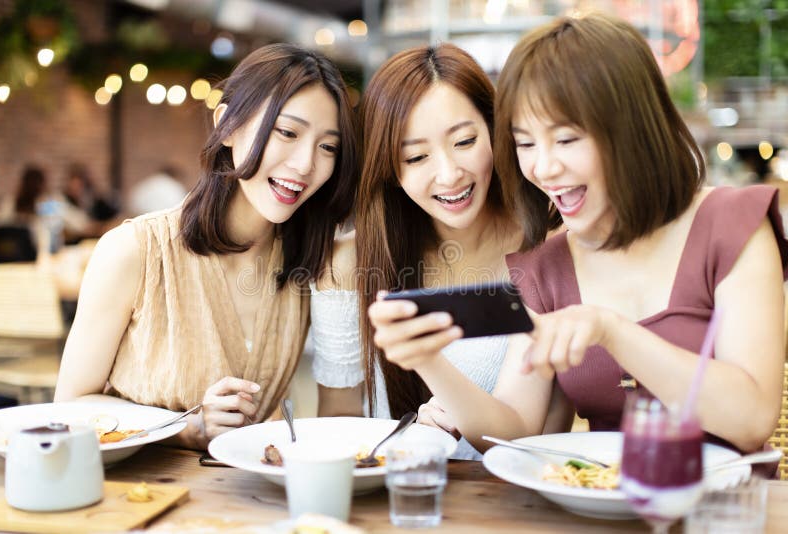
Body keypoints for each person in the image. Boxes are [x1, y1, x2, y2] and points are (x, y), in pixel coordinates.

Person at [369, 13, 788, 454]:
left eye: (566, 139)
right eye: (526, 143)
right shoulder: (545, 266)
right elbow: (515, 430)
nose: (543, 168)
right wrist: (428, 360)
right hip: (595, 510)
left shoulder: (732, 224)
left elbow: (752, 419)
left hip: (720, 513)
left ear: (632, 128)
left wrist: (612, 331)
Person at [54, 43, 357, 450]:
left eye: (328, 147)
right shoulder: (135, 251)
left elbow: (340, 413)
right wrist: (188, 427)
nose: (305, 164)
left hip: (246, 501)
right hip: (135, 501)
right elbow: (69, 406)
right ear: (228, 125)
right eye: (287, 132)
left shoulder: (310, 262)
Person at [310, 44, 523, 459]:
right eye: (417, 156)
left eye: (464, 141)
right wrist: (408, 440)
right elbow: (338, 424)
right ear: (389, 168)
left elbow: (542, 431)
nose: (448, 173)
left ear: (495, 130)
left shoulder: (543, 250)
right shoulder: (348, 265)